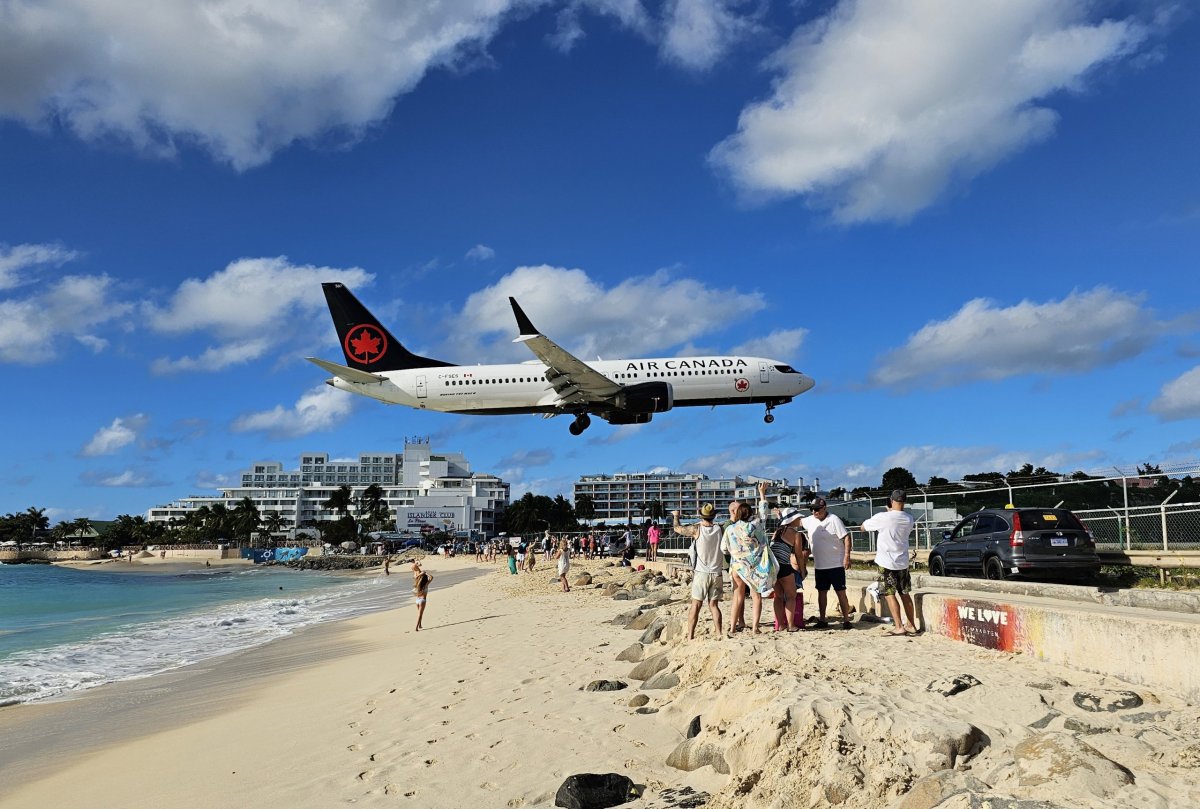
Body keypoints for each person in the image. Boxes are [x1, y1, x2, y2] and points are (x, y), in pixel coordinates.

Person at [722, 482, 777, 635]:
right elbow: (764, 512)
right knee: (756, 596)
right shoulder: (755, 525)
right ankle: (755, 627)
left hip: (737, 567)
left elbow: (723, 549)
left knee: (737, 597)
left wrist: (735, 552)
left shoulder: (730, 529)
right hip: (754, 567)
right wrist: (762, 493)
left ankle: (733, 628)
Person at [863, 489, 919, 636]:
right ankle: (911, 625)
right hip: (903, 561)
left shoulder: (883, 517)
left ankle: (899, 626)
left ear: (891, 501)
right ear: (904, 501)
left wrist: (887, 512)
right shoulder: (909, 518)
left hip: (886, 561)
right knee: (905, 593)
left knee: (889, 593)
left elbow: (863, 527)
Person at [673, 503, 725, 640]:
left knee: (696, 605)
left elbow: (677, 528)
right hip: (717, 573)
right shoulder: (719, 529)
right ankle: (719, 633)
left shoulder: (697, 529)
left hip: (702, 573)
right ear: (713, 516)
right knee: (714, 605)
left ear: (702, 515)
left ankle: (690, 636)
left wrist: (676, 516)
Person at [803, 497, 854, 630]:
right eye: (812, 509)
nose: (814, 512)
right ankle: (822, 619)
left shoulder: (834, 519)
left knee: (840, 592)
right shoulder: (810, 520)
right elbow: (796, 521)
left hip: (835, 564)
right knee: (821, 592)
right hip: (820, 565)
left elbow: (846, 537)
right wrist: (781, 515)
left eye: (817, 509)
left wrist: (847, 556)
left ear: (824, 508)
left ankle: (847, 620)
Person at [770, 509, 807, 632]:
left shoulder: (777, 531)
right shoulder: (796, 534)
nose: (799, 520)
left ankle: (780, 625)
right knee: (791, 596)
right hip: (784, 566)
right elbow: (799, 555)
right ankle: (791, 625)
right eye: (798, 518)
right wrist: (802, 570)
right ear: (792, 520)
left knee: (778, 597)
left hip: (773, 567)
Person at [412, 561, 432, 631]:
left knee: (419, 614)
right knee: (420, 615)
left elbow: (416, 576)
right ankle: (416, 627)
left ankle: (419, 625)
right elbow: (431, 577)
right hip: (422, 600)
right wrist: (426, 573)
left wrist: (420, 574)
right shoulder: (426, 585)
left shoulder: (418, 584)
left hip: (417, 600)